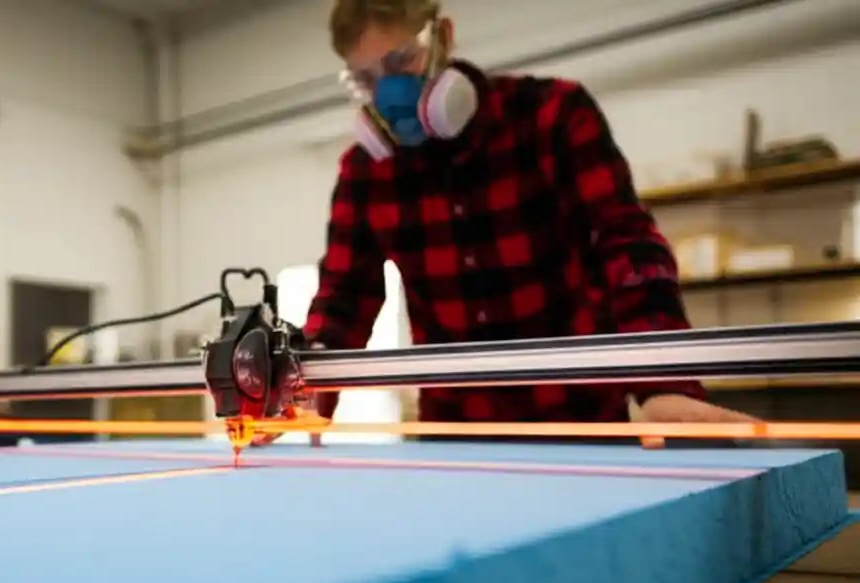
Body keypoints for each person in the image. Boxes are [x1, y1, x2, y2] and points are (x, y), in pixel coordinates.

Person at [290, 0, 755, 435]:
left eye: (401, 61)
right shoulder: (365, 171)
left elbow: (626, 244)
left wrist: (665, 383)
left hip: (580, 422)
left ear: (443, 37)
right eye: (367, 79)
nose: (388, 92)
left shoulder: (553, 115)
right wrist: (303, 394)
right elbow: (344, 296)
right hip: (457, 435)